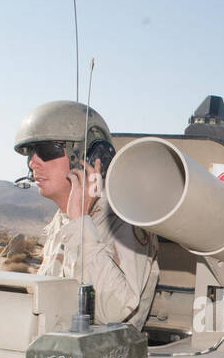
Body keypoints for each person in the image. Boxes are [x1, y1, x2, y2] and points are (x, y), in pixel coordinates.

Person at [14, 101, 158, 328]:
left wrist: (80, 224)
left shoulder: (124, 221)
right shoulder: (62, 220)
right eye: (30, 153)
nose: (33, 162)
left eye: (45, 151)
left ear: (88, 156)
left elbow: (110, 314)